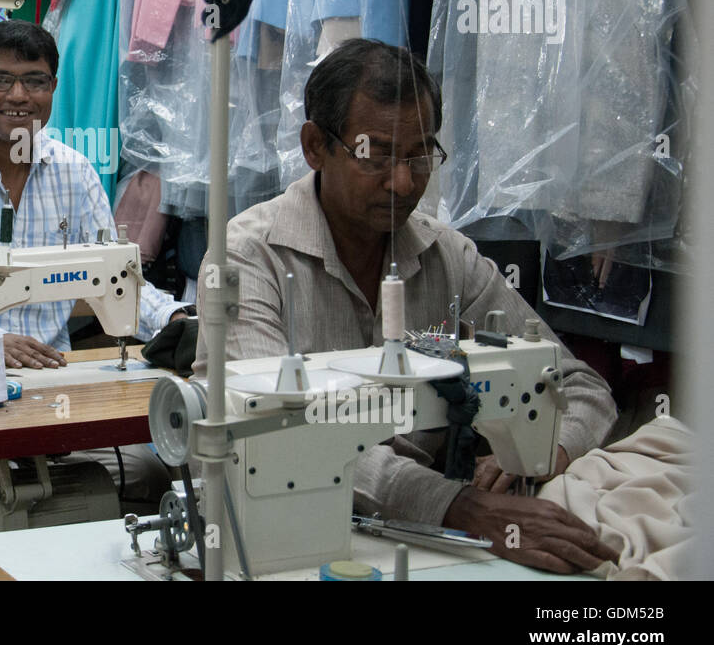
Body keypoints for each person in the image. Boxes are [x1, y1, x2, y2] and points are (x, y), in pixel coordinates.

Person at [194, 38, 619, 574]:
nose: (403, 183)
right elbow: (283, 431)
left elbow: (579, 387)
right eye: (375, 154)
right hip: (283, 532)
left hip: (428, 536)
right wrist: (456, 504)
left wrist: (544, 453)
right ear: (314, 146)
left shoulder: (449, 257)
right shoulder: (245, 259)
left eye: (420, 156)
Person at [0, 20, 190, 505]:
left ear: (53, 87)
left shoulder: (75, 173)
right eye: (0, 80)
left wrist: (176, 320)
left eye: (36, 80)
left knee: (153, 470)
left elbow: (118, 277)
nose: (19, 95)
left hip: (51, 391)